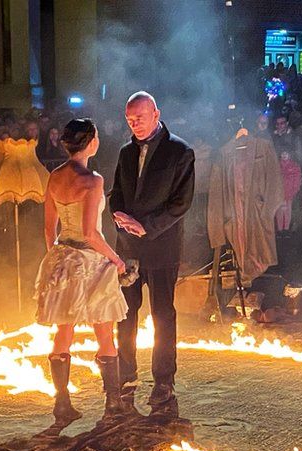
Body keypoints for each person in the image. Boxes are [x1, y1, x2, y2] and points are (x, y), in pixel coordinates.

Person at [34, 118, 128, 433]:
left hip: (63, 257)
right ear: (90, 142)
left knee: (65, 330)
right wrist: (115, 258)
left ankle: (62, 403)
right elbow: (90, 233)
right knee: (104, 331)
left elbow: (50, 229)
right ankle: (113, 402)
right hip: (90, 262)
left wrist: (56, 260)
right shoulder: (92, 180)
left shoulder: (55, 177)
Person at [108, 91, 195, 421]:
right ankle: (126, 371)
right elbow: (116, 191)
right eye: (129, 119)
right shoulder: (125, 152)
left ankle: (163, 381)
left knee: (162, 314)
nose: (135, 124)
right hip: (128, 249)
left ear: (156, 113)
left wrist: (147, 226)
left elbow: (180, 203)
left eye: (140, 118)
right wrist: (118, 215)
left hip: (161, 247)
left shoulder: (180, 152)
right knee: (125, 314)